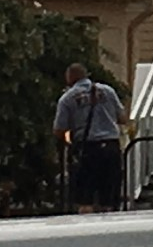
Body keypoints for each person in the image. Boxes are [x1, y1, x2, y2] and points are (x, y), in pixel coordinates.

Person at [53, 63, 126, 213]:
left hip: (88, 150)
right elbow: (123, 118)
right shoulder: (108, 91)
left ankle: (86, 224)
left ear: (69, 78)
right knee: (109, 198)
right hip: (111, 147)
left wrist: (70, 139)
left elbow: (59, 130)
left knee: (85, 199)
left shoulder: (67, 99)